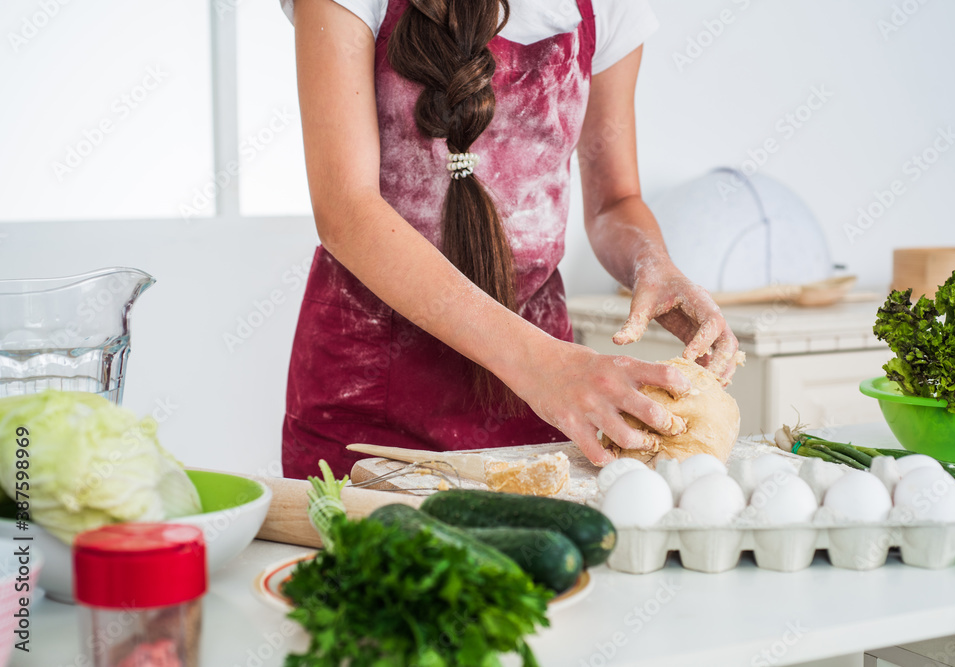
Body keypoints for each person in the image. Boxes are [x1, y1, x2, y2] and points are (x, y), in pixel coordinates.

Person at [280, 0, 742, 479]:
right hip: (373, 397)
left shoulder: (608, 7)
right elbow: (345, 210)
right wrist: (547, 368)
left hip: (541, 408)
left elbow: (613, 202)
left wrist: (653, 263)